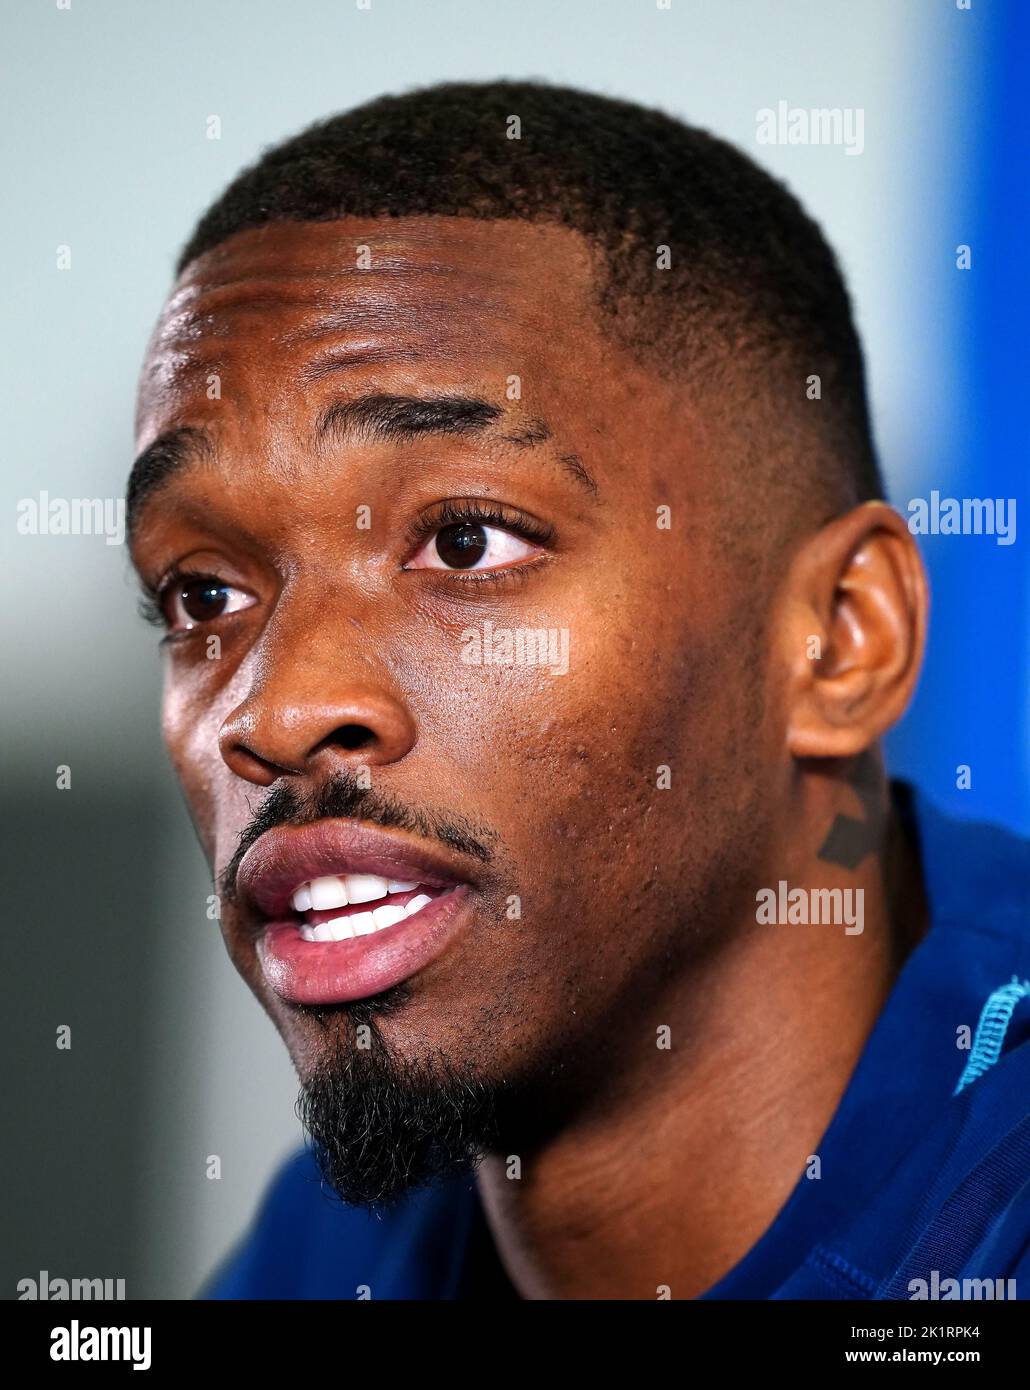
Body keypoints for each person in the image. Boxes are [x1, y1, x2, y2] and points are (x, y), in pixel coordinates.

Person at [126, 81, 1030, 1300]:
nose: (273, 713)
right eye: (202, 596)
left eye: (464, 544)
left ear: (837, 638)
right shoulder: (342, 1249)